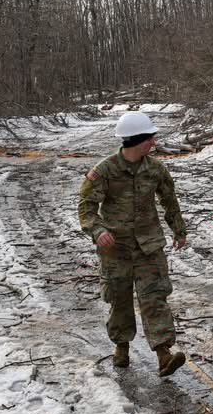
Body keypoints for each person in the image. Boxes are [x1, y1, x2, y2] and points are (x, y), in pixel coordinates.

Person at [78, 111, 188, 377]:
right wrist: (97, 230)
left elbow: (169, 200)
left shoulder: (156, 170)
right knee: (120, 299)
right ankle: (122, 348)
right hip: (116, 249)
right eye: (150, 138)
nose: (153, 142)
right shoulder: (104, 171)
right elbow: (86, 207)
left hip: (149, 247)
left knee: (155, 299)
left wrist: (178, 230)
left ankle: (164, 355)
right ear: (138, 140)